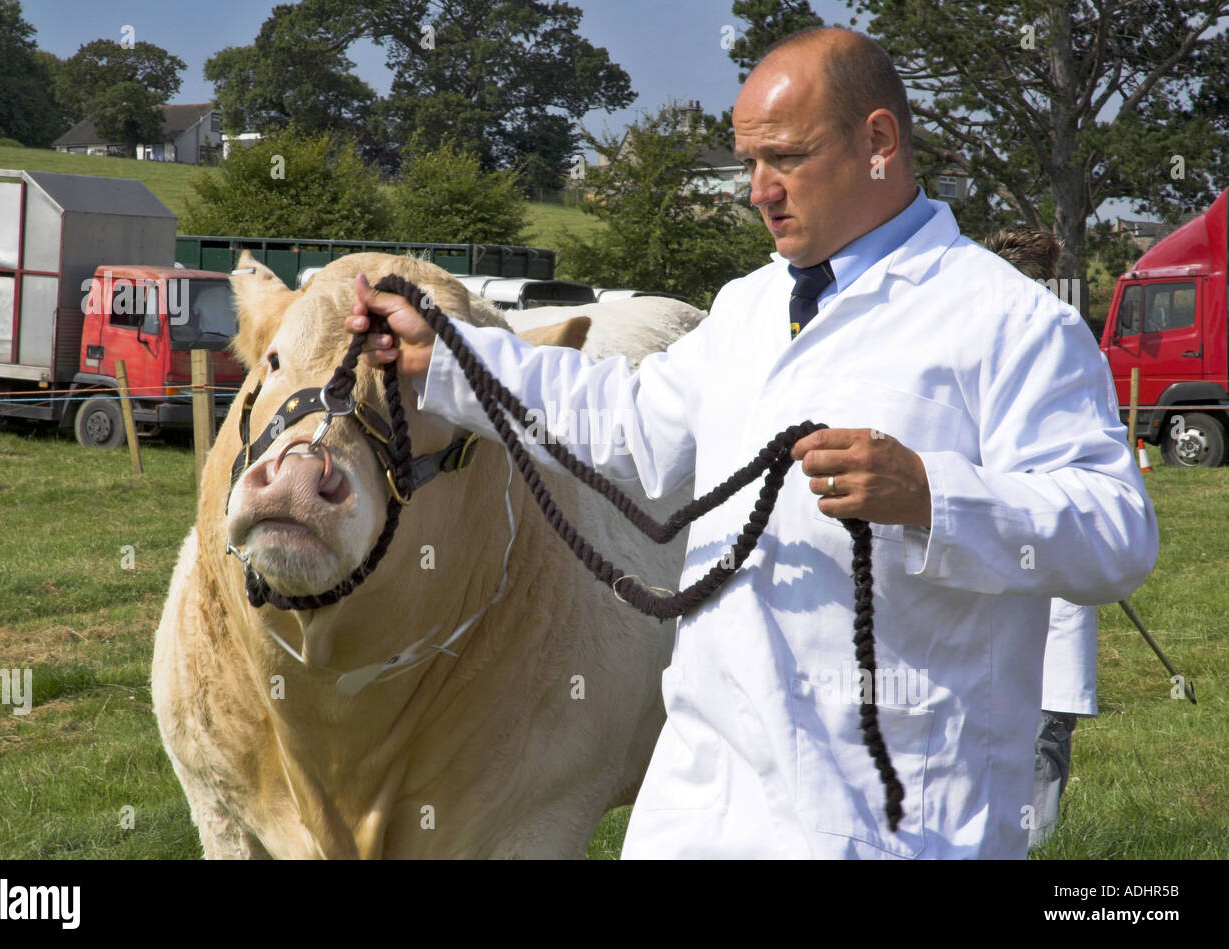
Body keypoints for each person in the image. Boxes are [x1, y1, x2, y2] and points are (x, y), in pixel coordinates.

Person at [347, 28, 1158, 858]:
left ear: (877, 142)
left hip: (897, 817)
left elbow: (1115, 532)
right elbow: (625, 424)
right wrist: (445, 357)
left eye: (785, 158)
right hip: (702, 808)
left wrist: (932, 495)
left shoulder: (1012, 323)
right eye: (748, 165)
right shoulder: (746, 306)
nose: (757, 191)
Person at [983, 226, 1101, 847]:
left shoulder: (1059, 338)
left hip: (1046, 577)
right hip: (981, 585)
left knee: (1040, 738)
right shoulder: (977, 339)